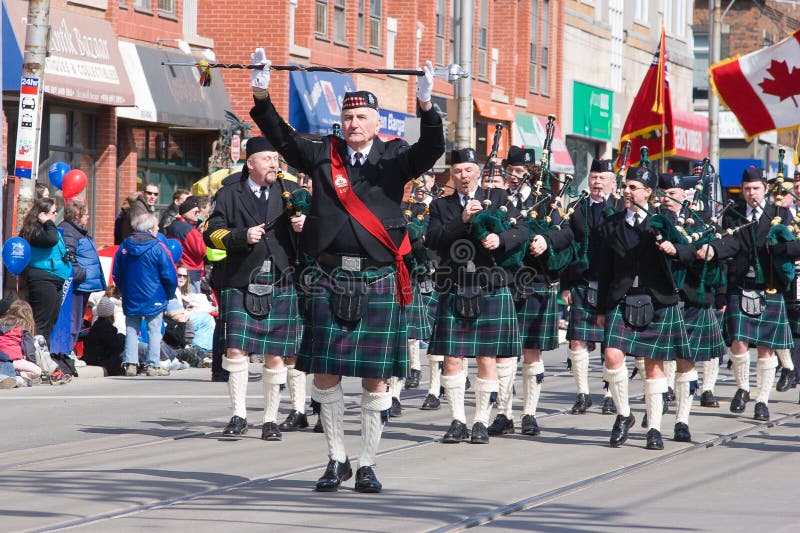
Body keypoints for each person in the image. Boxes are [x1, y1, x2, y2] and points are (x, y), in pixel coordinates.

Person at [249, 47, 443, 492]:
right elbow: (281, 137)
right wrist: (262, 95)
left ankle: (369, 462)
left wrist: (427, 107)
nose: (355, 125)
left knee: (376, 377)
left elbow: (432, 148)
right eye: (349, 117)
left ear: (377, 124)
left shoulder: (395, 158)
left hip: (377, 277)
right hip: (329, 276)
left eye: (363, 119)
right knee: (325, 373)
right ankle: (336, 458)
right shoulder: (322, 154)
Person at [203, 136, 306, 442]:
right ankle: (239, 415)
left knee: (275, 355)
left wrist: (304, 224)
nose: (274, 164)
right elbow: (212, 233)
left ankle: (271, 419)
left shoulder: (289, 192)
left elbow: (313, 229)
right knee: (236, 351)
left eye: (276, 159)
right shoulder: (229, 194)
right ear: (250, 163)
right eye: (267, 159)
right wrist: (241, 236)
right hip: (241, 278)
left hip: (280, 277)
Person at [426, 147, 529, 445]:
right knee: (452, 357)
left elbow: (523, 229)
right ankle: (458, 420)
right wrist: (462, 220)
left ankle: (481, 420)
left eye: (468, 170)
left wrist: (502, 238)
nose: (463, 176)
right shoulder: (441, 206)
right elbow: (432, 240)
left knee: (487, 357)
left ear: (478, 172)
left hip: (490, 285)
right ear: (452, 175)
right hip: (456, 285)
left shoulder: (498, 198)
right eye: (457, 171)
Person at [596, 166, 692, 450]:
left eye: (633, 187)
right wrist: (601, 308)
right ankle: (624, 415)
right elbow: (604, 269)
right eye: (625, 186)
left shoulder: (661, 221)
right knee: (612, 356)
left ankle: (654, 428)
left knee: (654, 367)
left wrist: (670, 248)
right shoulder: (611, 224)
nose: (627, 192)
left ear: (649, 192)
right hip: (622, 297)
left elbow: (684, 250)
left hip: (657, 298)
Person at [712, 167, 800, 421]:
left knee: (766, 349)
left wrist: (781, 247)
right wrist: (721, 292)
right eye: (747, 189)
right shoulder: (733, 215)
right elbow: (725, 252)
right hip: (739, 285)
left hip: (769, 286)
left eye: (756, 188)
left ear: (765, 189)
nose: (751, 193)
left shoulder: (780, 213)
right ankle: (742, 388)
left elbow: (796, 245)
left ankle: (762, 400)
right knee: (738, 343)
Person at [655, 172, 726, 441]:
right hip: (660, 297)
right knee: (656, 361)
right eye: (663, 194)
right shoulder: (652, 221)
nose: (668, 199)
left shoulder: (700, 221)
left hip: (692, 298)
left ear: (684, 195)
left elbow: (727, 245)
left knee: (686, 361)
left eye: (673, 194)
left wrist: (711, 249)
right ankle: (656, 413)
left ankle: (682, 420)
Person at [560, 158, 621, 415]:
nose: (597, 182)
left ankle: (608, 394)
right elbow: (567, 247)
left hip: (612, 285)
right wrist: (565, 285)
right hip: (582, 282)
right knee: (576, 341)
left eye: (602, 178)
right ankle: (583, 394)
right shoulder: (576, 208)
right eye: (594, 177)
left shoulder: (620, 208)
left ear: (612, 183)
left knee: (610, 345)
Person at [113, 213, 177, 377]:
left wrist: (122, 289)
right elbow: (169, 274)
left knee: (132, 329)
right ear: (150, 229)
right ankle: (153, 364)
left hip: (131, 294)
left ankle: (131, 364)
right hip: (154, 294)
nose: (158, 229)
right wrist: (169, 294)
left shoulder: (124, 246)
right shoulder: (158, 247)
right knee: (154, 330)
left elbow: (117, 272)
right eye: (156, 227)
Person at [19, 198, 73, 344]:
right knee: (41, 322)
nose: (55, 216)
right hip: (43, 278)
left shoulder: (50, 229)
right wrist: (48, 222)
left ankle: (44, 356)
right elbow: (51, 240)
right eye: (53, 212)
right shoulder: (34, 230)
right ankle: (35, 357)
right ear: (42, 214)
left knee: (50, 322)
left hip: (56, 278)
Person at [59, 198, 106, 356]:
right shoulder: (69, 232)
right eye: (86, 214)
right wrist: (81, 274)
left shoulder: (78, 231)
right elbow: (68, 257)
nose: (88, 217)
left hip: (83, 285)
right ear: (77, 215)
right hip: (76, 285)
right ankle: (65, 352)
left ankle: (68, 351)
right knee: (73, 320)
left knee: (77, 320)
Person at [165, 195, 207, 293]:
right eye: (196, 212)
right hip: (190, 273)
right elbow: (202, 251)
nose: (198, 214)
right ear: (186, 212)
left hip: (177, 270)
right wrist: (202, 235)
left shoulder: (173, 225)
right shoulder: (188, 230)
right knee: (191, 303)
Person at [0, 299, 43, 385]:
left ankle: (13, 375)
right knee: (37, 371)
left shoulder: (1, 323)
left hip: (2, 358)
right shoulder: (23, 329)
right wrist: (32, 362)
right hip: (14, 360)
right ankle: (19, 377)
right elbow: (29, 350)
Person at [82, 297, 125, 376]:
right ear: (111, 314)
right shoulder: (107, 328)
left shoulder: (96, 325)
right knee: (123, 339)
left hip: (92, 358)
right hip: (101, 361)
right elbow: (115, 346)